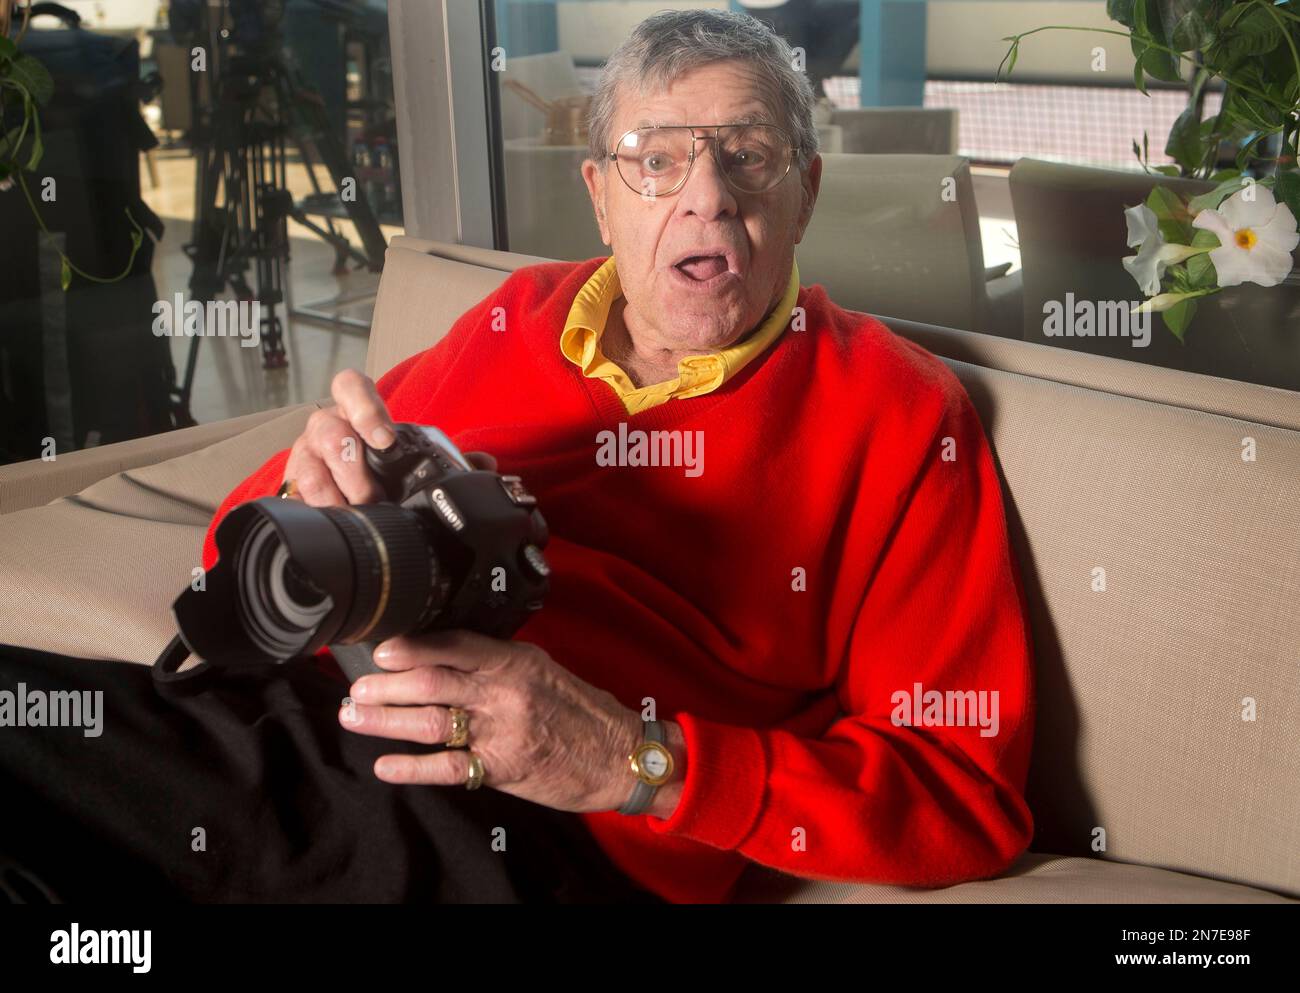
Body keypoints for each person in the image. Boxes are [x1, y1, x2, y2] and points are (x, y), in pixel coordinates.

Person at [1, 8, 1034, 905]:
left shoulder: (899, 410)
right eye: (656, 158)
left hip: (548, 832)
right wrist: (305, 487)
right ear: (600, 194)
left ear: (804, 190)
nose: (707, 195)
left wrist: (629, 758)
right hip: (307, 717)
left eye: (747, 155)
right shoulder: (519, 315)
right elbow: (235, 547)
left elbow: (961, 795)